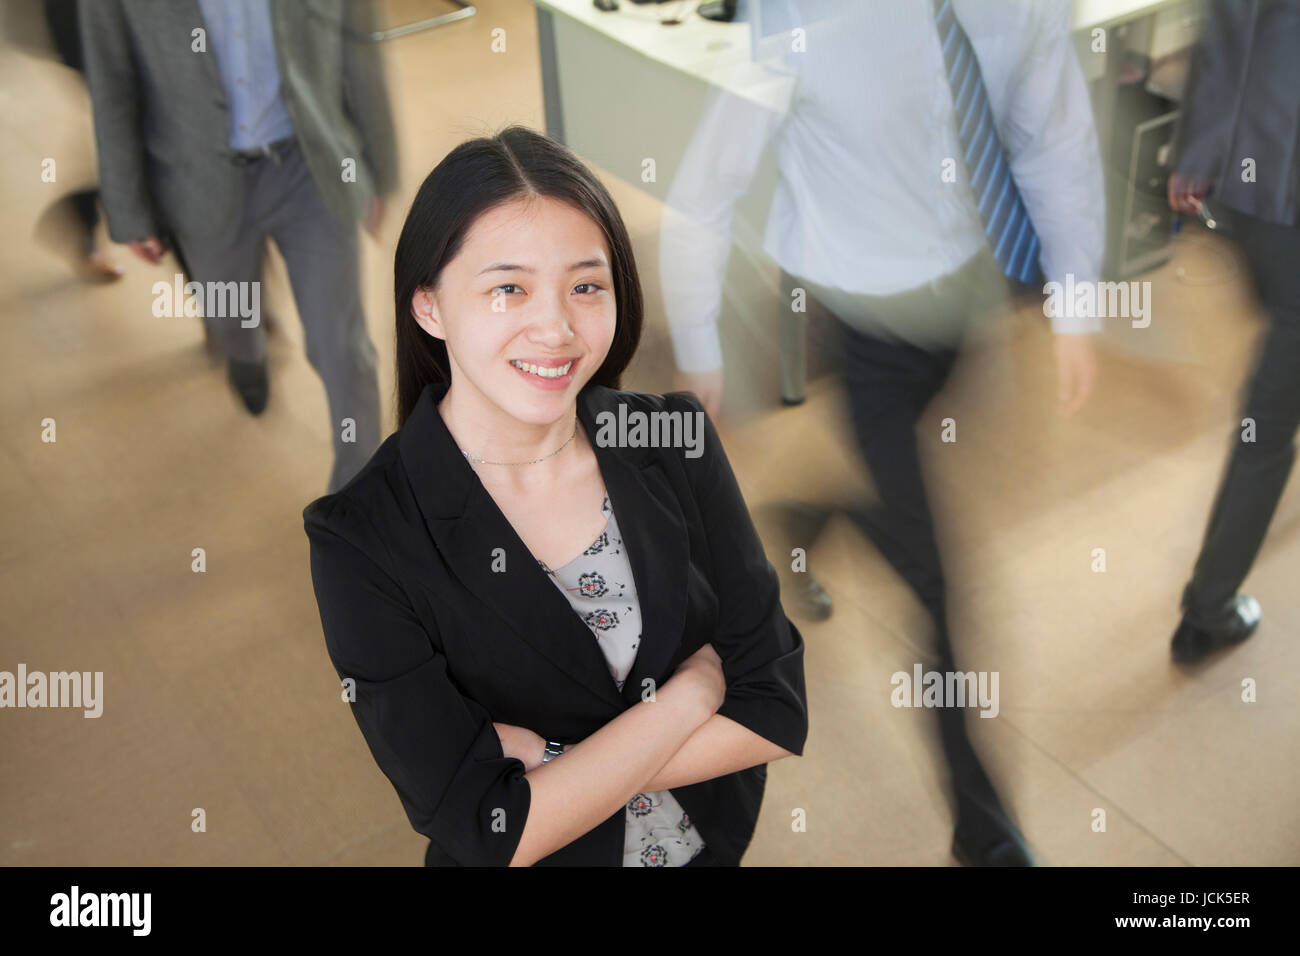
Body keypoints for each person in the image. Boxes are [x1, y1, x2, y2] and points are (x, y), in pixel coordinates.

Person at [659, 0, 1105, 864]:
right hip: (858, 324)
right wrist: (701, 346)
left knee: (905, 511)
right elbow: (705, 185)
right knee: (940, 581)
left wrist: (1078, 299)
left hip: (964, 308)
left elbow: (1052, 135)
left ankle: (816, 517)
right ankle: (982, 827)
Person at [303, 126, 809, 866]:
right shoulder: (362, 542)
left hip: (709, 843)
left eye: (586, 286)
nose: (557, 328)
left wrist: (554, 769)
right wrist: (692, 697)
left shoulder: (671, 438)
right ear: (430, 308)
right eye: (508, 287)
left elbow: (773, 708)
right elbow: (485, 827)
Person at [78, 0, 396, 493]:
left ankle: (363, 506)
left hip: (309, 168)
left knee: (343, 347)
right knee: (233, 319)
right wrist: (129, 210)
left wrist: (378, 164)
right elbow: (112, 85)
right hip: (199, 182)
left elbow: (357, 44)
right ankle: (245, 354)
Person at [1165, 0, 1300, 663]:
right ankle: (1210, 608)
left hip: (1245, 195)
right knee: (1268, 430)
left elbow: (1221, 32)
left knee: (1275, 387)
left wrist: (1194, 152)